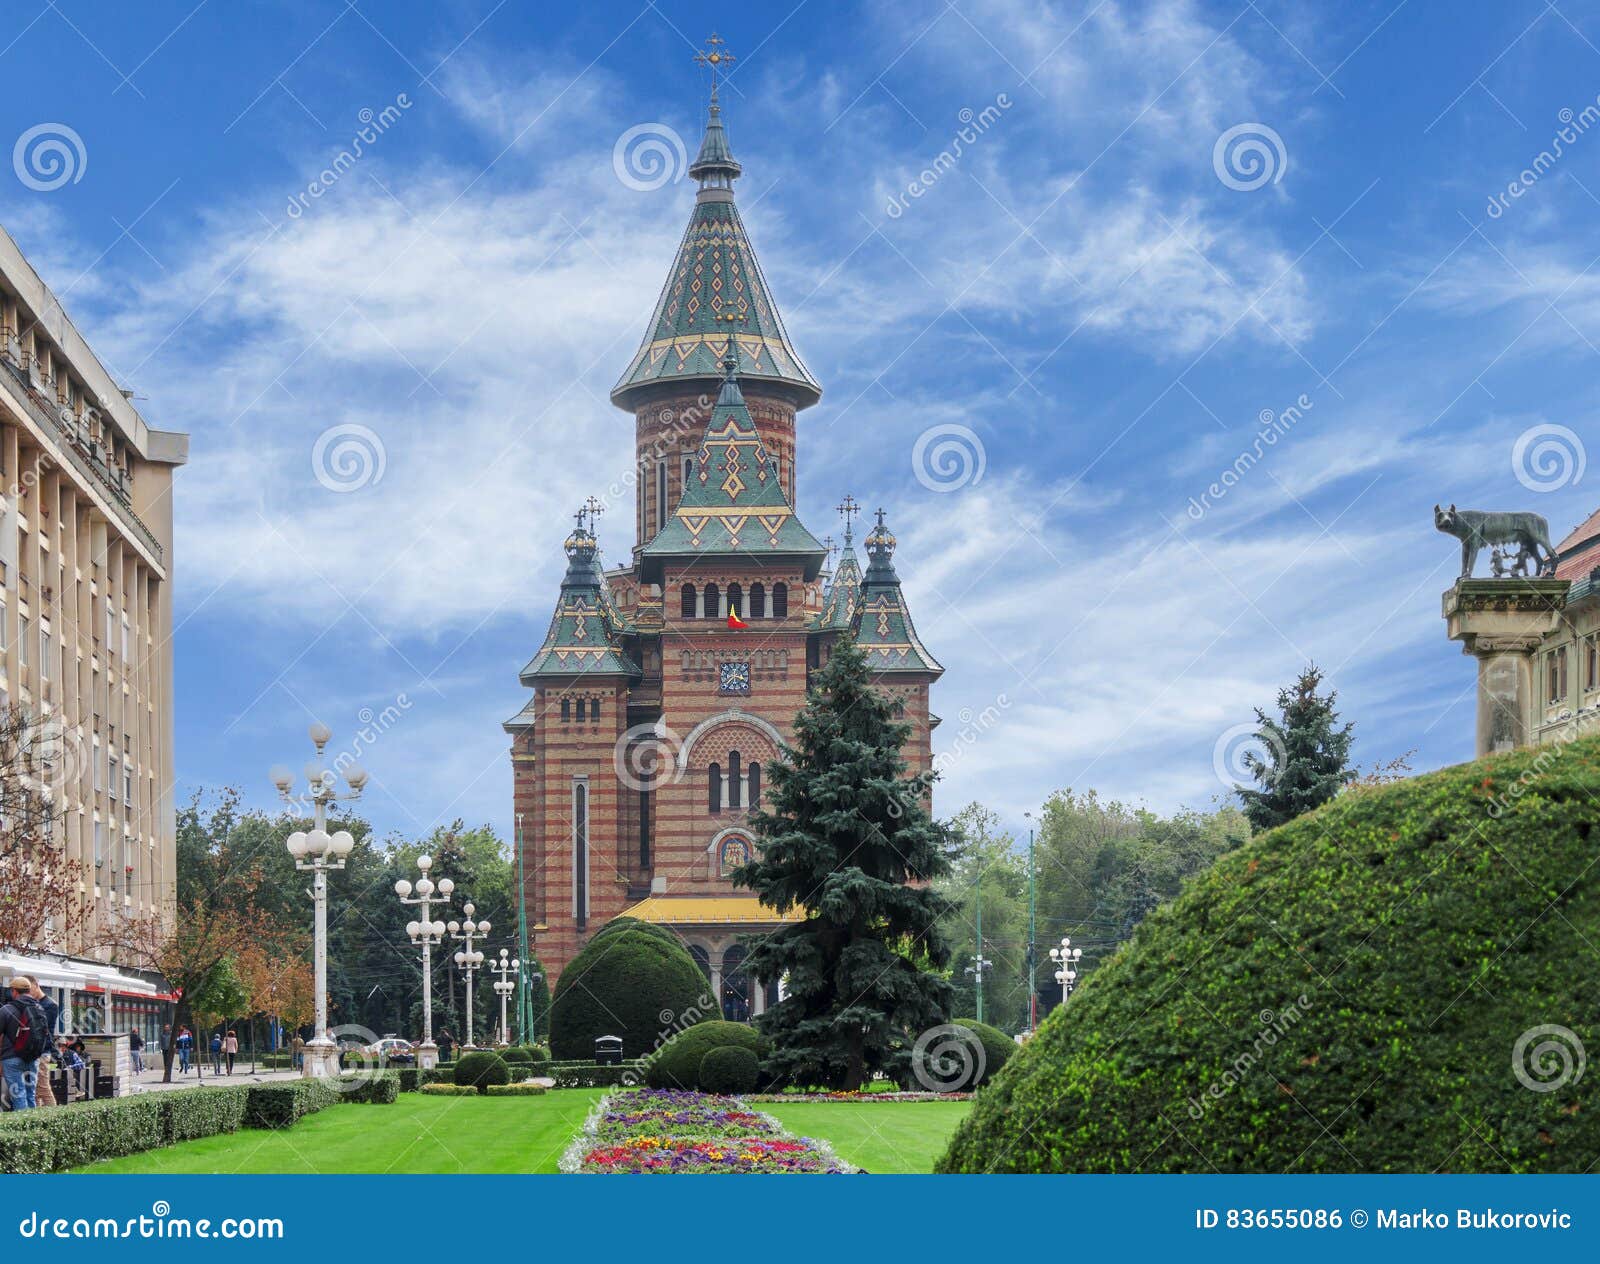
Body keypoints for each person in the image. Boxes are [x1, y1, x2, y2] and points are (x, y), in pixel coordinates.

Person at [0, 977, 48, 1111]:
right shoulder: (39, 1008)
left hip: (11, 1058)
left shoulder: (7, 1009)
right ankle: (33, 1127)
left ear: (14, 991)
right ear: (28, 990)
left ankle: (23, 1128)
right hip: (33, 1057)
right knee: (30, 1094)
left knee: (18, 1096)